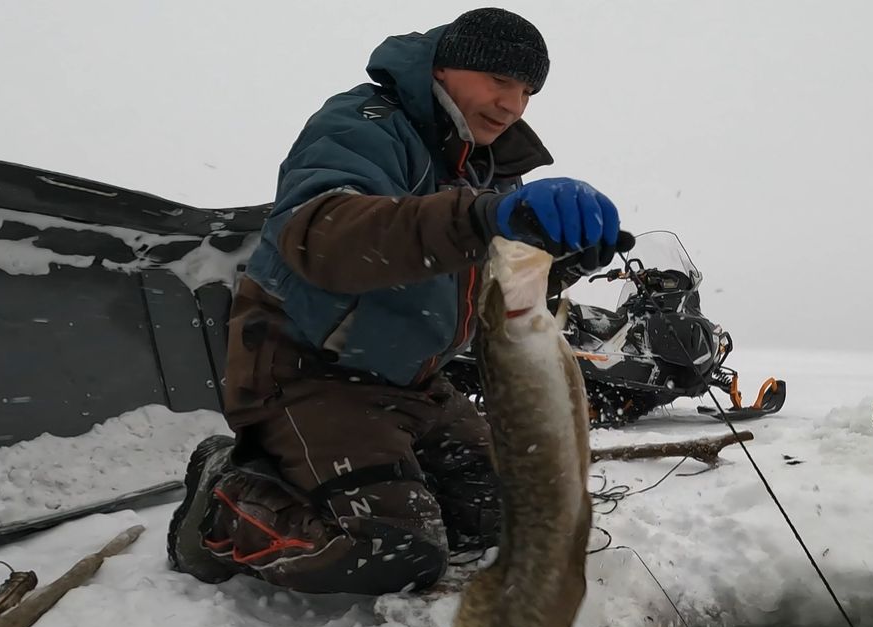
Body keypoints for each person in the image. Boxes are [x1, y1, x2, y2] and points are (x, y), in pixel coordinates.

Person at [168, 7, 622, 595]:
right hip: (309, 374)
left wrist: (555, 265)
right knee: (389, 547)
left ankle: (373, 472)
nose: (513, 104)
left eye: (528, 90)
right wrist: (483, 217)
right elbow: (321, 234)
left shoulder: (486, 167)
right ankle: (221, 496)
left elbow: (483, 291)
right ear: (445, 67)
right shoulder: (364, 123)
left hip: (417, 385)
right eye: (500, 80)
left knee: (513, 520)